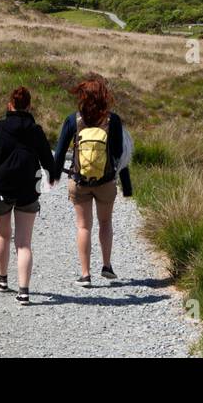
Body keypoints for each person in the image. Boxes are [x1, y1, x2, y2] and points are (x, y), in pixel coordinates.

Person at [0, 87, 58, 305]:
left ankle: (2, 279)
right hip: (28, 190)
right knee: (24, 243)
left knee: (3, 235)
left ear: (10, 105)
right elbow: (48, 161)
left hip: (2, 189)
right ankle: (24, 292)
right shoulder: (36, 131)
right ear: (29, 106)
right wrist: (52, 178)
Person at [54, 75, 132, 286]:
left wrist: (53, 176)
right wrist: (126, 185)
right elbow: (118, 153)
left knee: (83, 227)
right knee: (105, 223)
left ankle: (85, 274)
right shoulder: (113, 120)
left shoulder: (73, 120)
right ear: (104, 97)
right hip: (106, 182)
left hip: (80, 182)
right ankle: (106, 266)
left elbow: (60, 153)